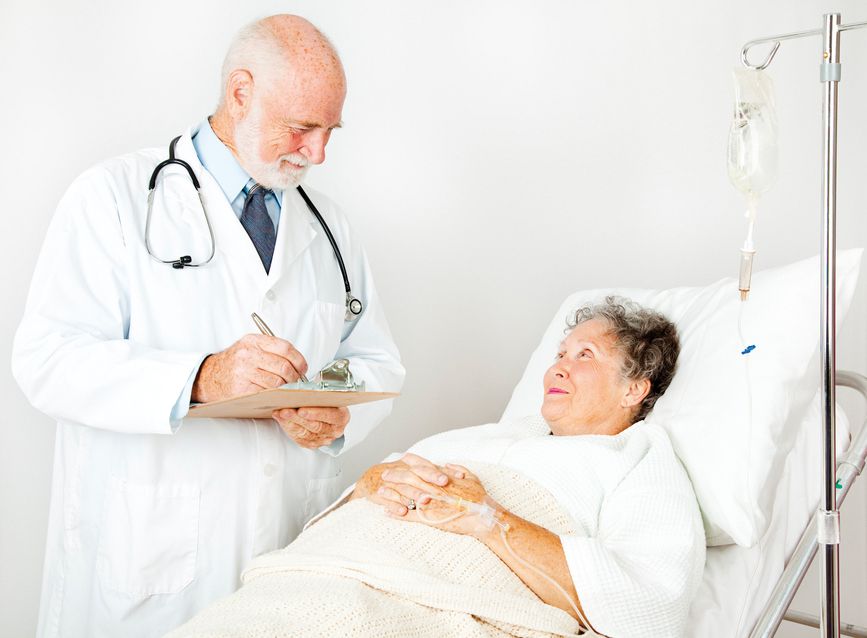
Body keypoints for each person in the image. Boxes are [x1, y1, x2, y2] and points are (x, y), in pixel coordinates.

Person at [11, 14, 404, 638]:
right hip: (145, 564)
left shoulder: (328, 227)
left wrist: (334, 410)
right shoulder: (114, 196)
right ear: (240, 92)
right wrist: (199, 377)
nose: (319, 153)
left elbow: (374, 360)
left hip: (283, 565)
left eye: (330, 131)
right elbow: (47, 359)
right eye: (301, 128)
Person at [167, 298, 705, 638]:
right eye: (560, 353)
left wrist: (490, 519)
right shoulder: (487, 435)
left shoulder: (639, 458)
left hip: (424, 604)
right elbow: (360, 499)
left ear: (635, 388)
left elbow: (650, 606)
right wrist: (371, 483)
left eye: (584, 356)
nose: (558, 367)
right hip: (312, 577)